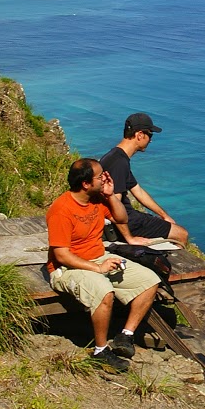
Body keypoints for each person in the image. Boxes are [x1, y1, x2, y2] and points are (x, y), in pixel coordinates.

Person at [46, 157, 161, 372]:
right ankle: (100, 351)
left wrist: (110, 195)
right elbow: (61, 255)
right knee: (104, 291)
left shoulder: (98, 199)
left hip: (98, 257)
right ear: (85, 183)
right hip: (68, 268)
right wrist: (98, 268)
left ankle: (125, 335)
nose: (106, 178)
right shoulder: (61, 209)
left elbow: (121, 218)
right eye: (100, 176)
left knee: (149, 280)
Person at [100, 112, 188, 247]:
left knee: (167, 227)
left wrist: (164, 215)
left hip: (129, 217)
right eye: (150, 135)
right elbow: (113, 206)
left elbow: (138, 191)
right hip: (127, 221)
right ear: (140, 135)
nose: (150, 140)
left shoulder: (116, 156)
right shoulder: (119, 163)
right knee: (181, 234)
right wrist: (129, 238)